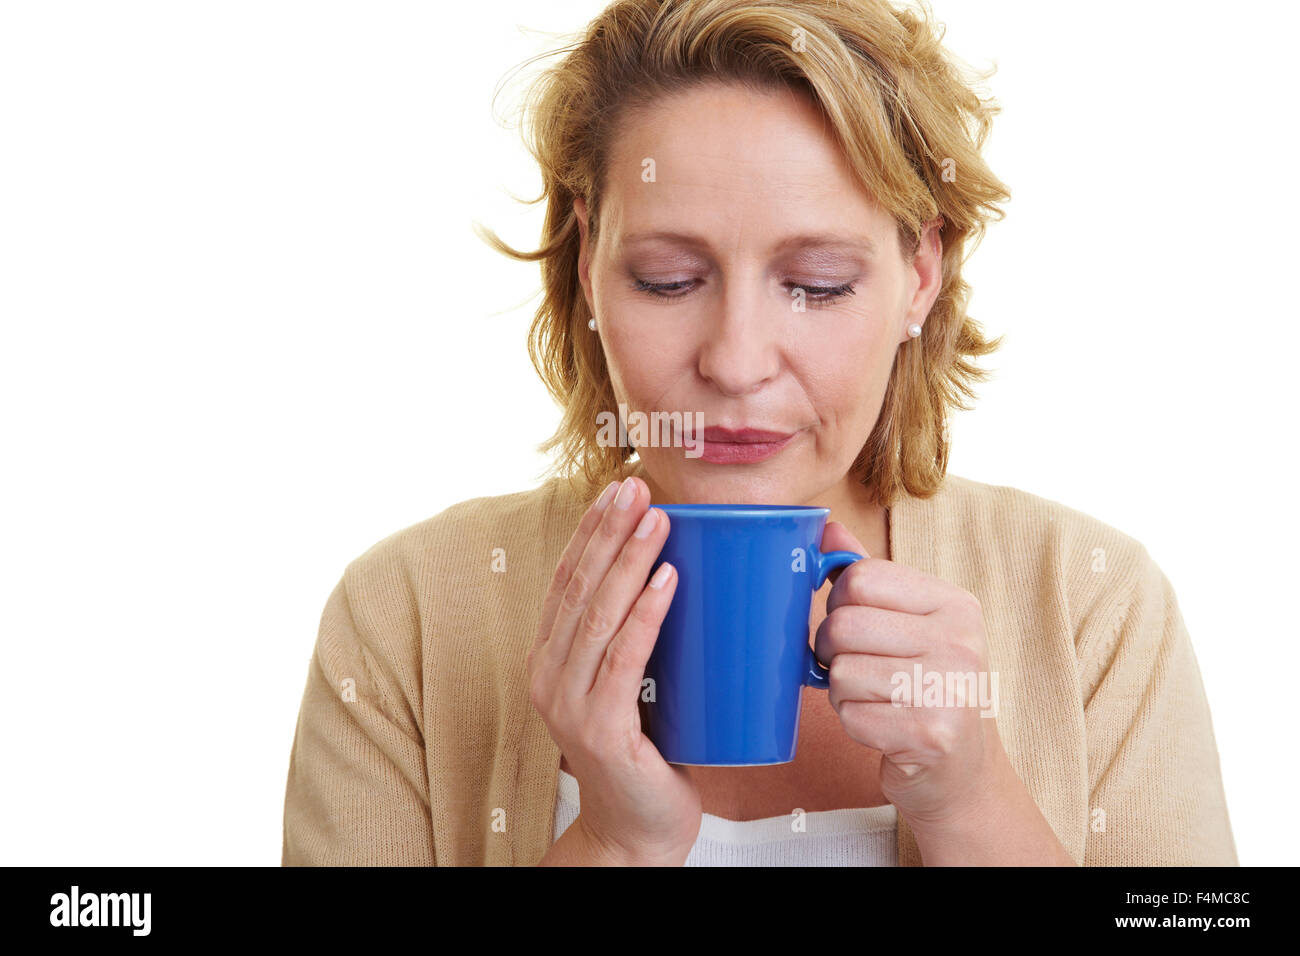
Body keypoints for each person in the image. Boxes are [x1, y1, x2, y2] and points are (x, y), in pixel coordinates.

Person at [281, 0, 1236, 866]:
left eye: (818, 284)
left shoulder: (1091, 607)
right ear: (587, 268)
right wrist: (615, 842)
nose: (737, 361)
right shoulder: (403, 616)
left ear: (920, 275)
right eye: (667, 278)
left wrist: (976, 806)